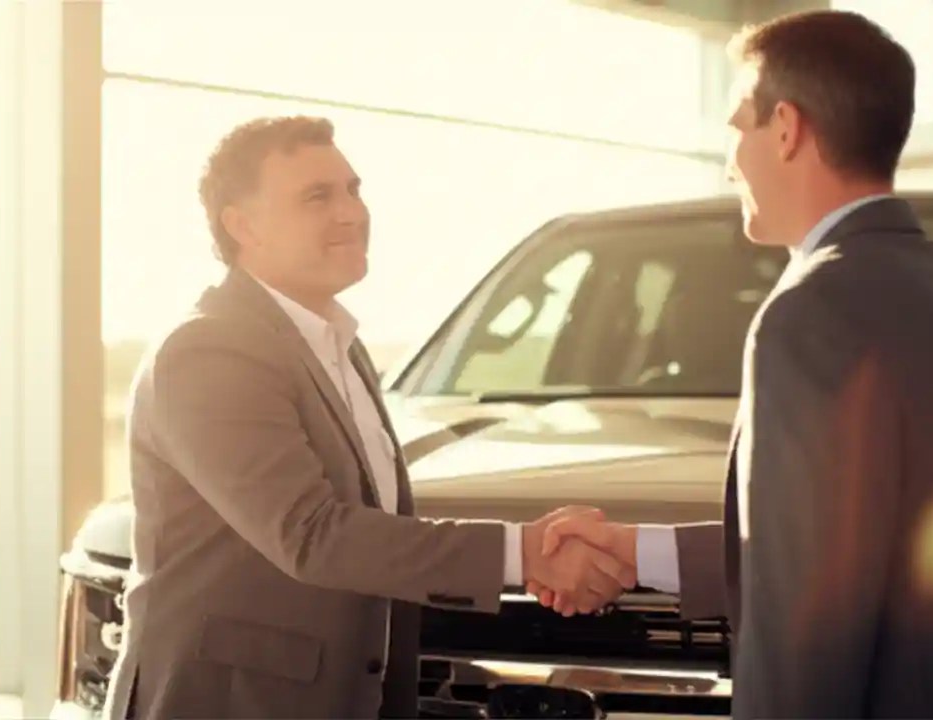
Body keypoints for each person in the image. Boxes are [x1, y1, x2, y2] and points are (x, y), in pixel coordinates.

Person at [532, 9, 933, 719]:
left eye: (735, 129)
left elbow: (807, 627)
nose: (730, 162)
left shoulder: (811, 313)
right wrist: (639, 553)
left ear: (785, 128)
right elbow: (872, 541)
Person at [102, 115, 635, 720]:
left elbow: (374, 531)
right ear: (241, 224)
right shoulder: (211, 351)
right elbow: (313, 533)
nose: (352, 212)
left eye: (353, 189)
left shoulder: (338, 346)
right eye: (317, 196)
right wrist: (524, 552)